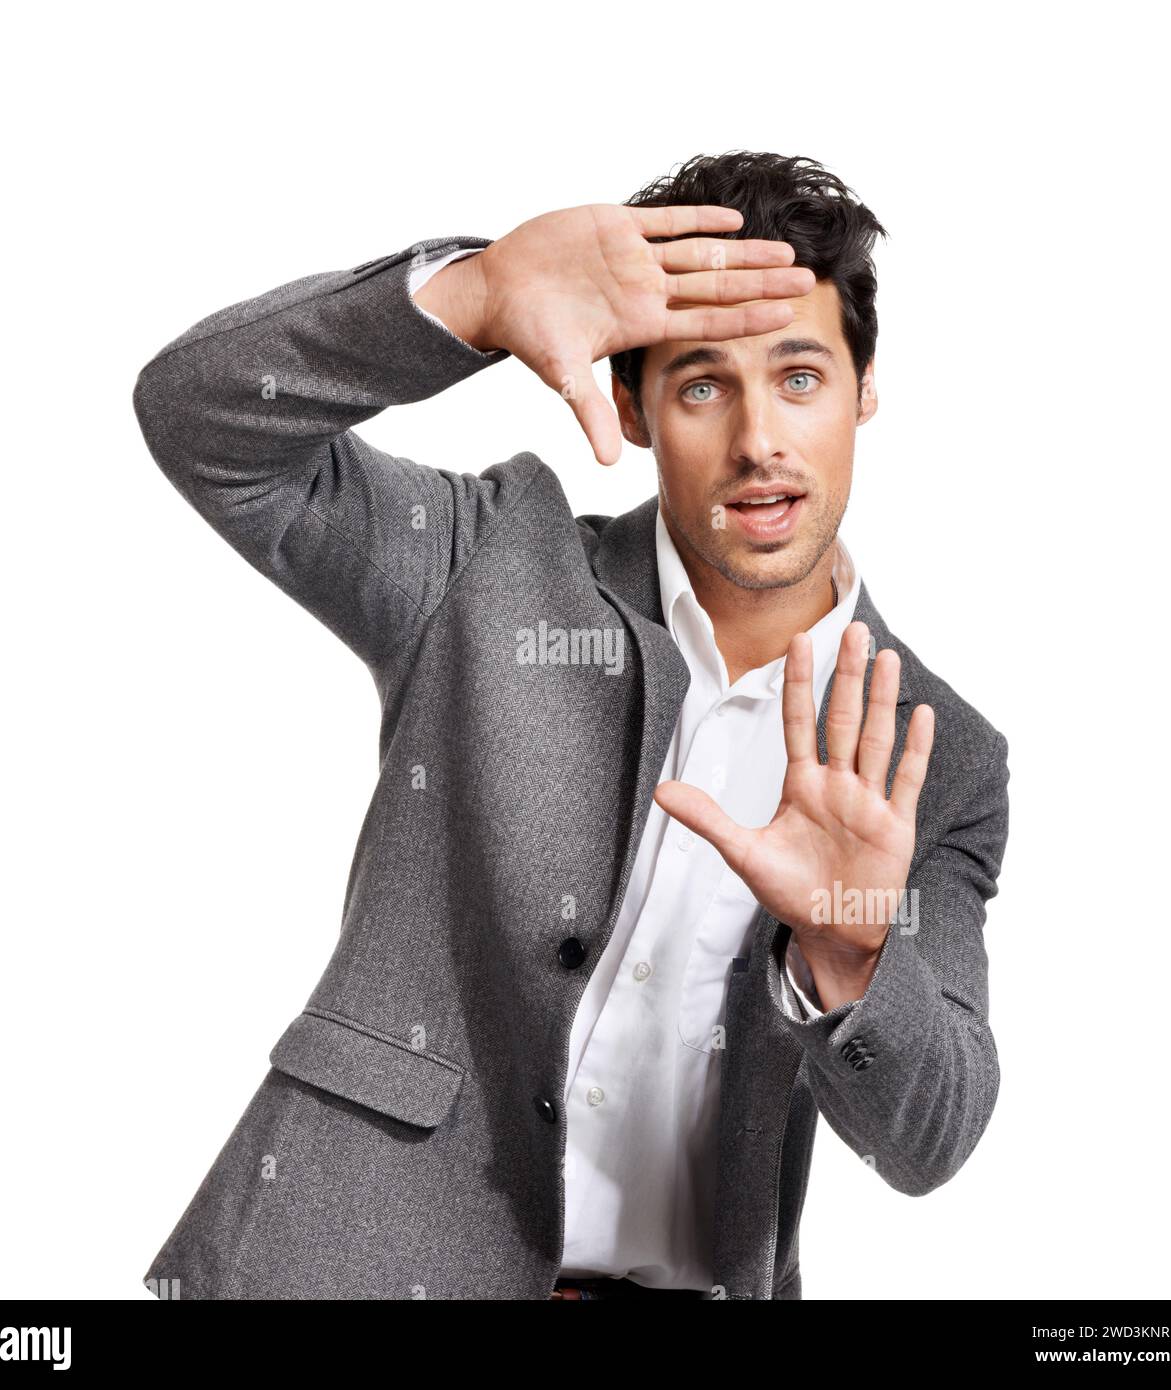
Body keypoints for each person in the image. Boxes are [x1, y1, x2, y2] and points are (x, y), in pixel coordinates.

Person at [133, 151, 1010, 1301]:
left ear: (864, 388)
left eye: (799, 376)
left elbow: (930, 1139)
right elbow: (202, 418)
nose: (759, 440)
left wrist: (850, 951)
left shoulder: (936, 751)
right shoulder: (485, 561)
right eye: (702, 386)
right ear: (633, 408)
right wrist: (473, 296)